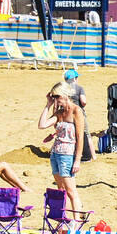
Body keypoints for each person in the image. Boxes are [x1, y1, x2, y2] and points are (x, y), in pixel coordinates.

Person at [37, 82, 85, 216]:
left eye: (57, 97)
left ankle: (77, 221)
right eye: (54, 97)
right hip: (55, 153)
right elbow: (42, 125)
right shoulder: (59, 112)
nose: (55, 100)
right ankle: (65, 218)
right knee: (61, 190)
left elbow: (80, 137)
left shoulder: (76, 111)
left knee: (71, 191)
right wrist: (48, 105)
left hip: (67, 155)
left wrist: (77, 160)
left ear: (65, 95)